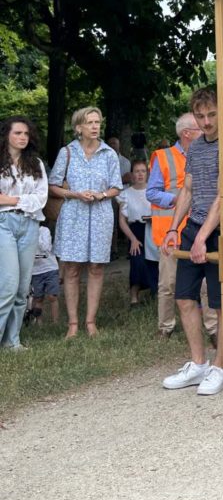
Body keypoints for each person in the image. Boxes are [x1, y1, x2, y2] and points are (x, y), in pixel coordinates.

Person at [161, 88, 223, 396]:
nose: (207, 121)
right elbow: (188, 190)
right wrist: (174, 229)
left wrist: (201, 239)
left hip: (222, 231)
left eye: (212, 115)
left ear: (222, 113)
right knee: (184, 298)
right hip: (194, 227)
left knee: (221, 302)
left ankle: (220, 366)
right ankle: (198, 364)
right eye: (201, 116)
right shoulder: (195, 148)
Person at [48, 107, 122, 339]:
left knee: (97, 267)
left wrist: (101, 195)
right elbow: (53, 185)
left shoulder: (109, 154)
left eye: (97, 122)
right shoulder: (67, 152)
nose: (94, 126)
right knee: (71, 268)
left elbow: (116, 186)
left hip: (100, 215)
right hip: (73, 215)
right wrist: (75, 194)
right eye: (89, 122)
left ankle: (90, 322)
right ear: (78, 127)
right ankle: (72, 323)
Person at [147, 113, 217, 343]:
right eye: (200, 127)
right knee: (168, 284)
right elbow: (152, 192)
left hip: (200, 231)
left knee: (206, 284)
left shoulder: (207, 153)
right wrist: (178, 200)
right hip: (170, 233)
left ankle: (213, 328)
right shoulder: (162, 157)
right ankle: (165, 327)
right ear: (187, 133)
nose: (207, 128)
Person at [0, 116, 48, 350]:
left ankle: (12, 341)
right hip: (3, 223)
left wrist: (10, 199)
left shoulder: (35, 163)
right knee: (8, 285)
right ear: (6, 135)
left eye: (26, 134)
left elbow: (41, 198)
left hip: (29, 224)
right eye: (17, 133)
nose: (22, 137)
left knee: (22, 287)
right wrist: (20, 200)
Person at [117, 160, 159, 307]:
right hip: (135, 231)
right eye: (137, 171)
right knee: (137, 262)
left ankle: (155, 292)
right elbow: (122, 220)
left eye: (143, 171)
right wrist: (133, 239)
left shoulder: (154, 191)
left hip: (153, 230)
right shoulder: (125, 194)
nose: (140, 174)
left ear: (147, 174)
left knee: (154, 262)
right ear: (132, 174)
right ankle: (134, 298)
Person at [30, 225, 60, 325]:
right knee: (38, 298)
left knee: (52, 296)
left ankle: (55, 322)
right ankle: (39, 323)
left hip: (50, 268)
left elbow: (46, 247)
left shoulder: (44, 230)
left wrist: (34, 234)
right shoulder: (24, 233)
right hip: (35, 271)